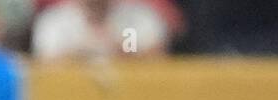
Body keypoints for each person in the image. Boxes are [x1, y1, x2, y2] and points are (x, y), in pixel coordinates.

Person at [32, 0, 173, 61]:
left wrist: (123, 51)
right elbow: (44, 68)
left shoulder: (138, 18)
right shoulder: (54, 22)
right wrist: (81, 54)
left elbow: (156, 60)